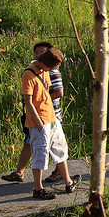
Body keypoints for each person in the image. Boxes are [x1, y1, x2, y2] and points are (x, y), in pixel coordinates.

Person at [4, 40, 66, 183]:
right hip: (36, 115)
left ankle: (57, 174)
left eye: (42, 52)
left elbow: (59, 92)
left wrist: (40, 103)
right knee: (29, 142)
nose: (38, 55)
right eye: (36, 52)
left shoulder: (52, 71)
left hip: (50, 115)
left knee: (52, 146)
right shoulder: (34, 71)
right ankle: (19, 172)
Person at [21, 46, 75, 198]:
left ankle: (68, 182)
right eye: (51, 68)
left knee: (60, 149)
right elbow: (28, 102)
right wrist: (38, 122)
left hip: (52, 118)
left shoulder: (44, 72)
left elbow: (46, 92)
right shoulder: (28, 75)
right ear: (45, 64)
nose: (52, 71)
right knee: (40, 152)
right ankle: (38, 189)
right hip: (39, 122)